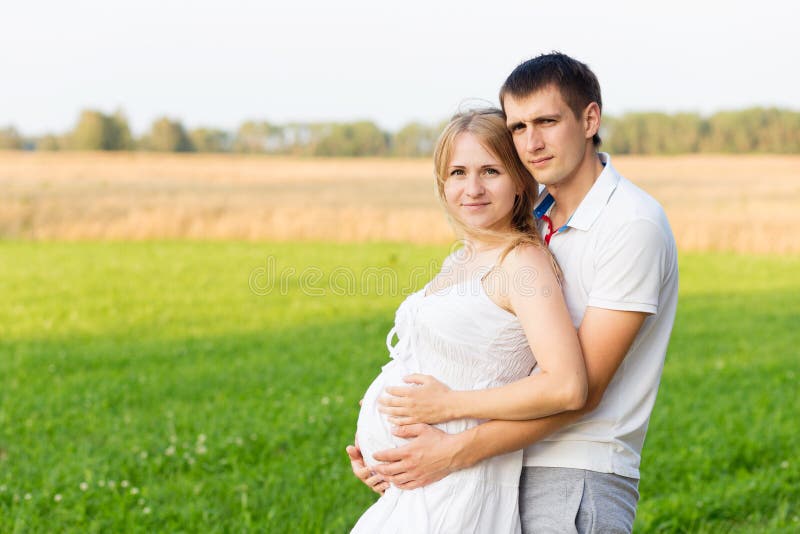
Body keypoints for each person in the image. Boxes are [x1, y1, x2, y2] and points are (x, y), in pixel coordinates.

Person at [347, 52, 679, 533]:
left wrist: (449, 442)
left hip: (573, 471)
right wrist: (398, 457)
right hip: (502, 464)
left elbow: (578, 392)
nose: (533, 141)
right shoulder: (534, 221)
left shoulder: (630, 224)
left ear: (590, 119)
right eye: (519, 126)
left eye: (547, 121)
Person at [350, 108, 588, 533]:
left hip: (462, 489)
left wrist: (445, 407)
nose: (472, 188)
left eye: (490, 171)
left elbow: (566, 385)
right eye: (458, 172)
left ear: (519, 180)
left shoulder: (522, 264)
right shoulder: (460, 260)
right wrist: (381, 453)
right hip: (420, 486)